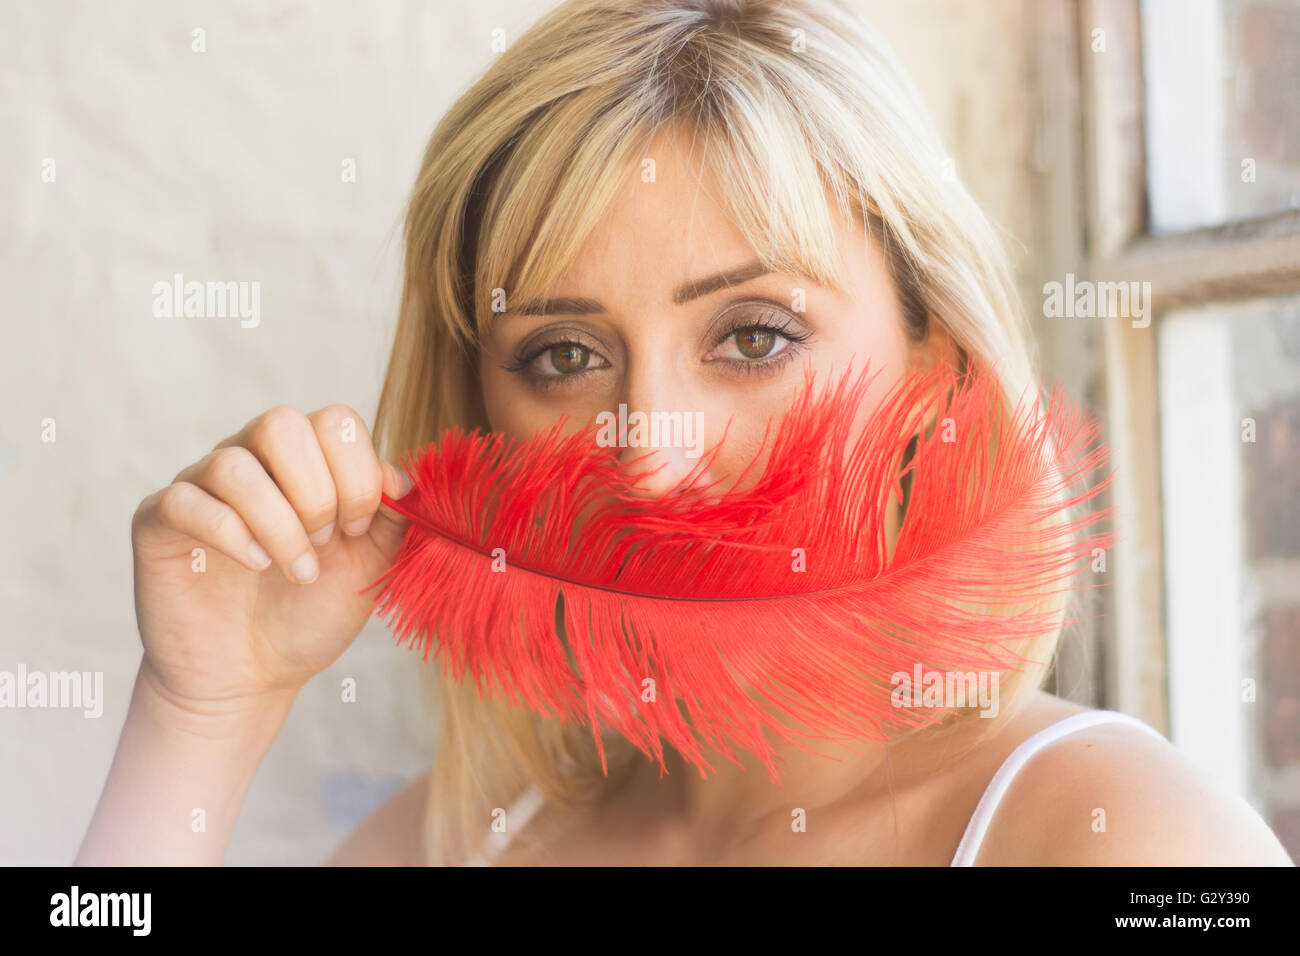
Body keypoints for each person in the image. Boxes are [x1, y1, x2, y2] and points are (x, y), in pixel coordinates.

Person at [77, 0, 1293, 866]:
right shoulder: (442, 850)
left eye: (753, 335)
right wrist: (199, 716)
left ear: (938, 357)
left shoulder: (1114, 836)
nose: (647, 451)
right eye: (563, 355)